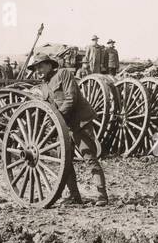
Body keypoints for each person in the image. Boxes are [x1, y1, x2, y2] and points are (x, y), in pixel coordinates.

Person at [28, 52, 108, 206]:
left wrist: (56, 118)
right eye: (36, 68)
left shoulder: (63, 74)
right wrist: (48, 124)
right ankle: (74, 196)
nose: (38, 71)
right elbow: (49, 108)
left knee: (89, 156)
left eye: (41, 66)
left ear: (50, 65)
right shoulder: (44, 86)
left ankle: (102, 195)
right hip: (64, 126)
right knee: (64, 160)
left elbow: (71, 98)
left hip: (79, 122)